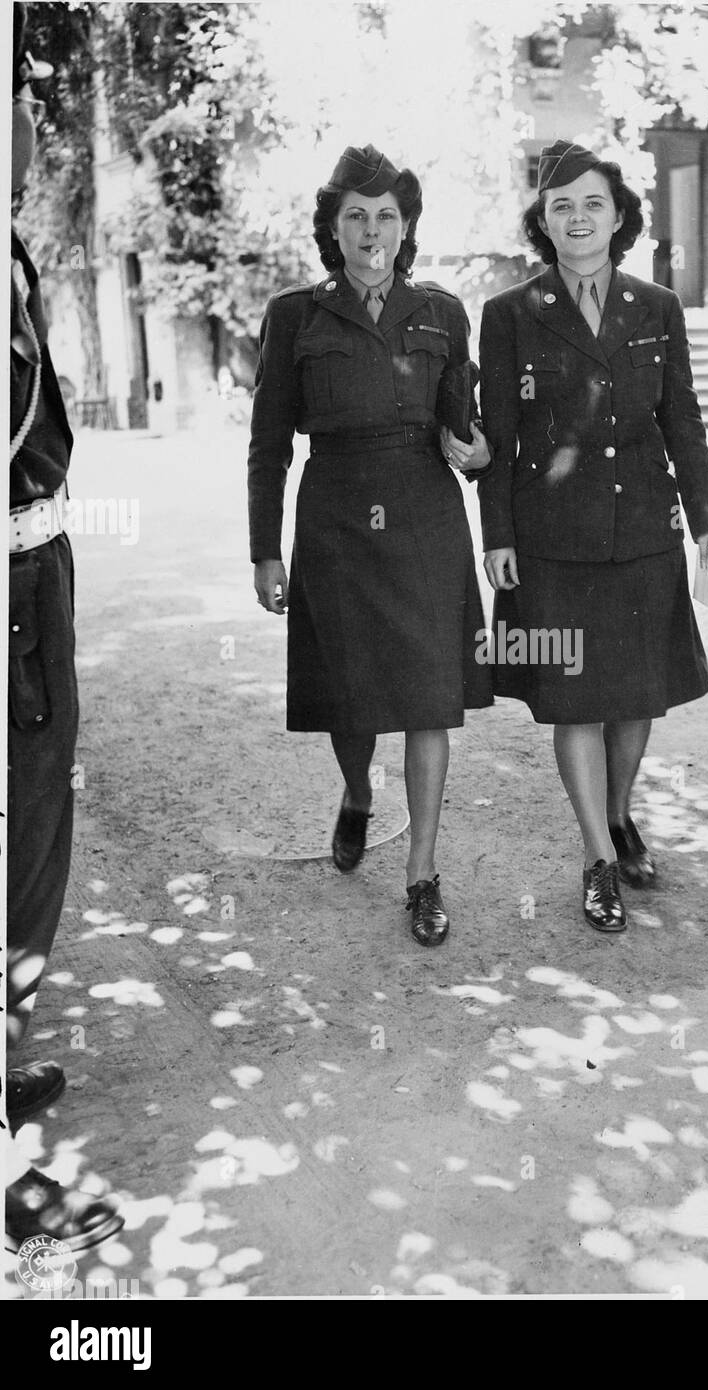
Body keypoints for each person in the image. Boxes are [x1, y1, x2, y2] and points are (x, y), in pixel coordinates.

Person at [477, 140, 708, 933]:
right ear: (542, 224)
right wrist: (498, 534)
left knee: (635, 696)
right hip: (553, 538)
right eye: (561, 207)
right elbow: (500, 434)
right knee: (574, 703)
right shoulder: (510, 314)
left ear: (618, 217)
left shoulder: (655, 306)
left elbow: (680, 418)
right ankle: (596, 858)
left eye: (592, 203)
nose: (578, 218)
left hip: (644, 528)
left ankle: (620, 815)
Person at [248, 145, 492, 946]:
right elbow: (268, 446)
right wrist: (265, 550)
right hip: (336, 518)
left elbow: (467, 423)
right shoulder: (295, 316)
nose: (372, 229)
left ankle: (421, 875)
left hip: (425, 515)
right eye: (355, 214)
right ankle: (357, 792)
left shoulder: (443, 313)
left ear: (407, 225)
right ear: (332, 226)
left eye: (387, 214)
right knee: (349, 700)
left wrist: (482, 452)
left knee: (430, 699)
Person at [6, 3, 123, 1252]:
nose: (32, 121)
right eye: (13, 102)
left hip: (37, 575)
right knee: (16, 847)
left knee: (35, 840)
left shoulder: (16, 251)